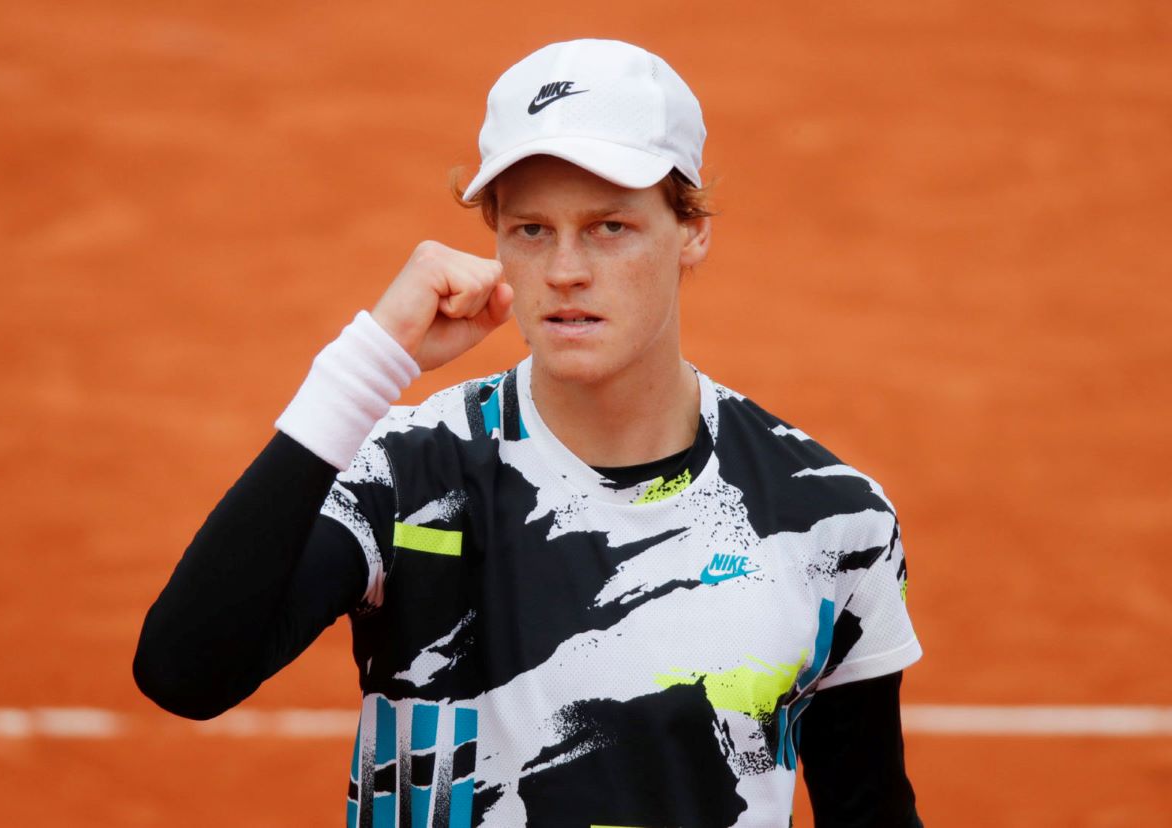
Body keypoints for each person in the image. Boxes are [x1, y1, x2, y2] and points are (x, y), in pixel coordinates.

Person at [135, 38, 923, 828]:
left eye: (610, 227)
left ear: (692, 230)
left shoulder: (828, 521)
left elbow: (869, 809)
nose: (565, 270)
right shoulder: (408, 474)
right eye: (532, 230)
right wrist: (366, 367)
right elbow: (186, 673)